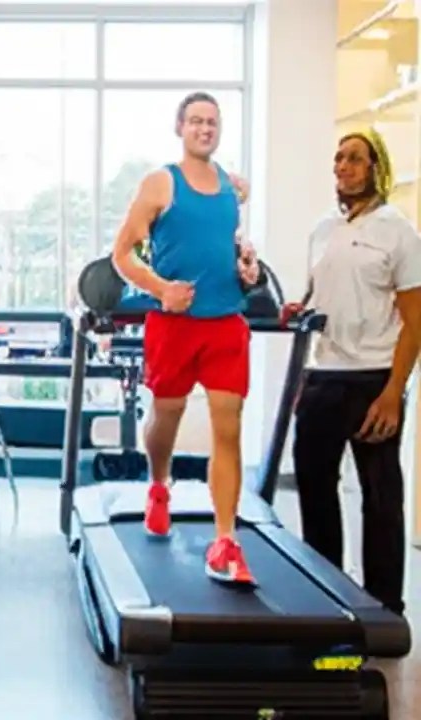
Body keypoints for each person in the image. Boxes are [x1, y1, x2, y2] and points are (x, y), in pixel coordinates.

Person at [111, 91, 260, 585]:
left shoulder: (232, 190)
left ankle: (225, 540)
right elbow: (123, 255)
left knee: (228, 427)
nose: (205, 129)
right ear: (180, 127)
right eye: (196, 121)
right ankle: (158, 485)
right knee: (166, 417)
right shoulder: (160, 182)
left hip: (225, 323)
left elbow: (230, 248)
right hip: (173, 325)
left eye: (212, 122)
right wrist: (160, 289)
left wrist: (246, 269)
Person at [284, 128, 421, 615]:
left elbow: (414, 322)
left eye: (355, 158)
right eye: (338, 157)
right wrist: (300, 309)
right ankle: (326, 600)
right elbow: (322, 297)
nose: (342, 166)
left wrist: (393, 393)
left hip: (374, 378)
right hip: (324, 375)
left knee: (380, 497)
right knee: (316, 488)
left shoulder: (398, 231)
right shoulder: (323, 229)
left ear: (375, 167)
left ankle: (386, 609)